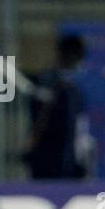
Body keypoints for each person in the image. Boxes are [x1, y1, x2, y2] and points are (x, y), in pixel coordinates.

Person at [23, 34, 90, 180]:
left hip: (68, 162)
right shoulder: (45, 82)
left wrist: (80, 159)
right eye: (77, 57)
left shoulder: (74, 91)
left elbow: (79, 126)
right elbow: (38, 118)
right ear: (71, 55)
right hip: (47, 160)